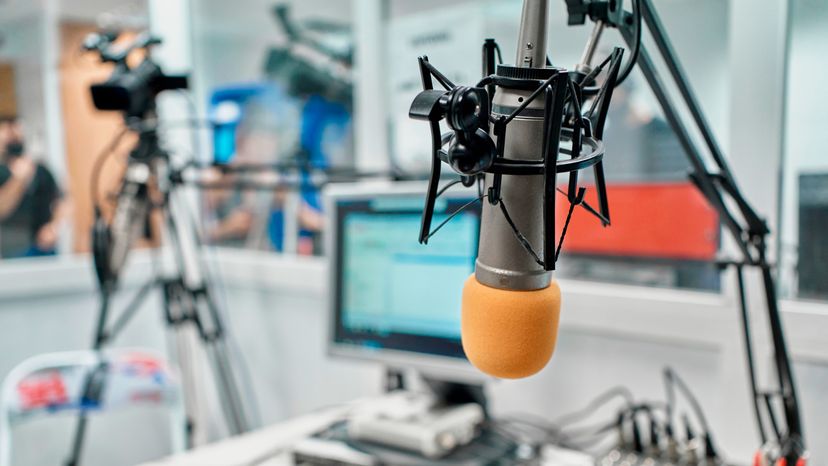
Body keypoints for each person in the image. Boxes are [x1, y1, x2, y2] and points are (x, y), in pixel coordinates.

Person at [0, 117, 64, 258]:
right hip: (12, 250)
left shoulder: (40, 169)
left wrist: (53, 226)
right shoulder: (2, 171)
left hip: (45, 247)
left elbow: (62, 200)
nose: (14, 133)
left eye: (16, 127)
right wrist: (18, 179)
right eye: (7, 129)